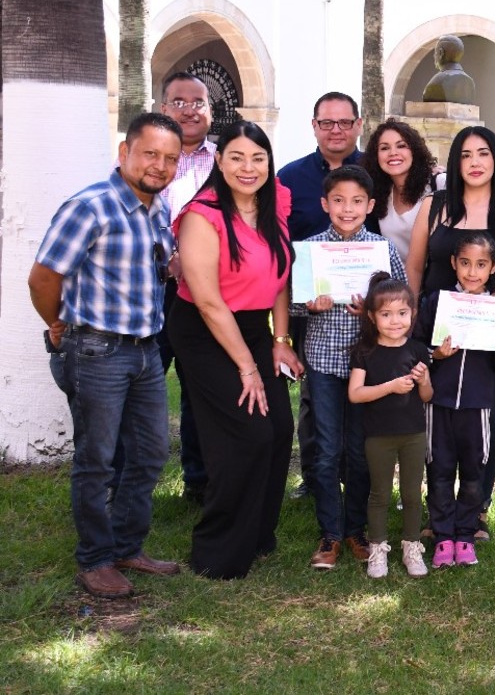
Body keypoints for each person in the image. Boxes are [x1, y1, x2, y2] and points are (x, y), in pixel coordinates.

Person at [28, 113, 184, 598]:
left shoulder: (157, 210)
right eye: (150, 154)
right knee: (97, 458)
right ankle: (94, 559)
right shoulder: (89, 206)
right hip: (96, 349)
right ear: (125, 153)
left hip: (145, 352)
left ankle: (126, 546)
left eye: (170, 159)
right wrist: (57, 323)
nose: (159, 166)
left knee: (151, 452)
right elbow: (43, 278)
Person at [168, 120, 304, 580]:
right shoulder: (201, 216)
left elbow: (281, 276)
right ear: (219, 161)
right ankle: (218, 550)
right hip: (204, 331)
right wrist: (247, 367)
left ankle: (257, 535)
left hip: (251, 327)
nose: (248, 168)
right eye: (237, 157)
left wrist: (280, 342)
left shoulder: (275, 203)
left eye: (258, 158)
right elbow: (207, 300)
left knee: (279, 429)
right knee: (247, 434)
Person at [406, 125, 495, 540]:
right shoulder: (434, 206)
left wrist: (490, 302)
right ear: (456, 162)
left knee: (484, 418)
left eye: (483, 154)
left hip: (487, 336)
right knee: (435, 418)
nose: (475, 163)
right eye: (465, 155)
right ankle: (437, 513)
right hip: (437, 336)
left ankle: (475, 511)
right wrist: (409, 316)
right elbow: (415, 266)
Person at [292, 165, 408, 570]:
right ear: (325, 204)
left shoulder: (382, 250)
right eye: (338, 200)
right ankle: (330, 533)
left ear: (370, 205)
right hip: (324, 362)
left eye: (357, 201)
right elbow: (291, 302)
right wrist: (308, 305)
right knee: (326, 451)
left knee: (362, 451)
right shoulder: (310, 249)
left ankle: (357, 529)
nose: (347, 208)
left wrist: (371, 312)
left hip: (368, 366)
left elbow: (400, 302)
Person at [278, 91, 365, 500]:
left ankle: (360, 477)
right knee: (316, 395)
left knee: (366, 392)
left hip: (369, 311)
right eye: (327, 122)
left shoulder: (375, 170)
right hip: (310, 306)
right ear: (314, 126)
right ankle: (316, 477)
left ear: (358, 126)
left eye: (344, 122)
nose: (336, 130)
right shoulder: (290, 178)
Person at [414, 232, 495, 568]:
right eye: (466, 264)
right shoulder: (435, 303)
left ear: (494, 268)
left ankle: (465, 534)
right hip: (439, 405)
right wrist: (436, 354)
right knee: (439, 470)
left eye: (481, 265)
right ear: (454, 264)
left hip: (476, 406)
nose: (472, 272)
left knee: (474, 474)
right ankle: (443, 537)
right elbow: (415, 349)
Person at [348, 272, 434, 579]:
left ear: (412, 313)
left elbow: (427, 396)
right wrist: (390, 386)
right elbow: (355, 394)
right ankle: (378, 550)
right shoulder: (364, 352)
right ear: (372, 317)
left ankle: (411, 548)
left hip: (413, 434)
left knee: (412, 494)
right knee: (380, 495)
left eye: (402, 313)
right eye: (386, 314)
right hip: (379, 436)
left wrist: (424, 380)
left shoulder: (418, 350)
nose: (395, 321)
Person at [157, 71, 217, 505]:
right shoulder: (150, 158)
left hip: (209, 294)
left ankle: (199, 480)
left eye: (198, 101)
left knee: (201, 387)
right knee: (142, 381)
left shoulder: (226, 161)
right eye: (179, 101)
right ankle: (124, 480)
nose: (190, 108)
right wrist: (168, 261)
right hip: (155, 292)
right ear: (164, 108)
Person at [361, 119, 437, 287]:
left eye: (401, 146)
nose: (393, 153)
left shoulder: (438, 185)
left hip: (435, 290)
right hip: (396, 292)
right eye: (384, 148)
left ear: (414, 151)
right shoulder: (379, 194)